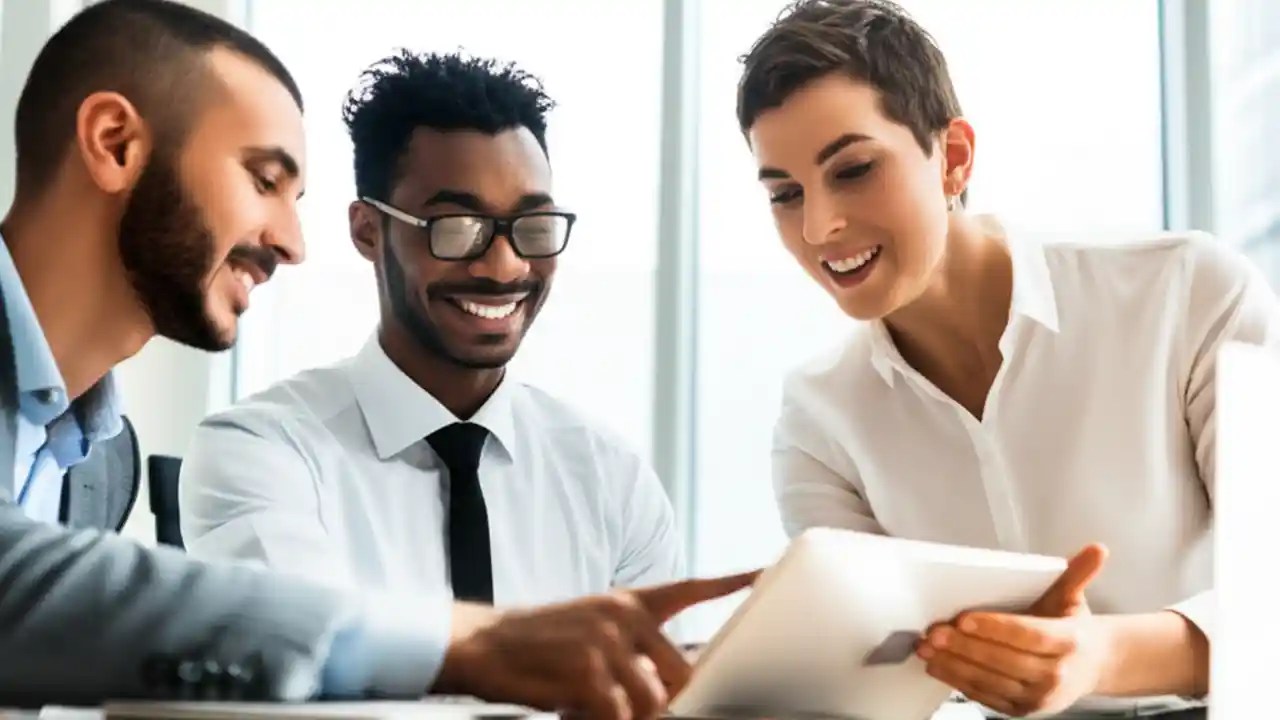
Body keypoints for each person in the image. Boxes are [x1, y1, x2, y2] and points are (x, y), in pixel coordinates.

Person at [0, 1, 754, 714]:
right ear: (115, 143)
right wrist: (479, 644)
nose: (293, 244)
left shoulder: (100, 460)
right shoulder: (262, 448)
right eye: (264, 180)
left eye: (529, 227)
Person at [738, 0, 1276, 716]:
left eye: (855, 169)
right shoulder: (817, 420)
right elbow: (860, 686)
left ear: (953, 156)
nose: (818, 227)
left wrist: (1101, 657)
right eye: (785, 194)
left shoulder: (1187, 292)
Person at [177, 50, 681, 611]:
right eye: (459, 227)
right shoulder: (264, 452)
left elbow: (657, 688)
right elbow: (309, 644)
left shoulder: (610, 480)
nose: (506, 266)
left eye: (533, 226)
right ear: (368, 231)